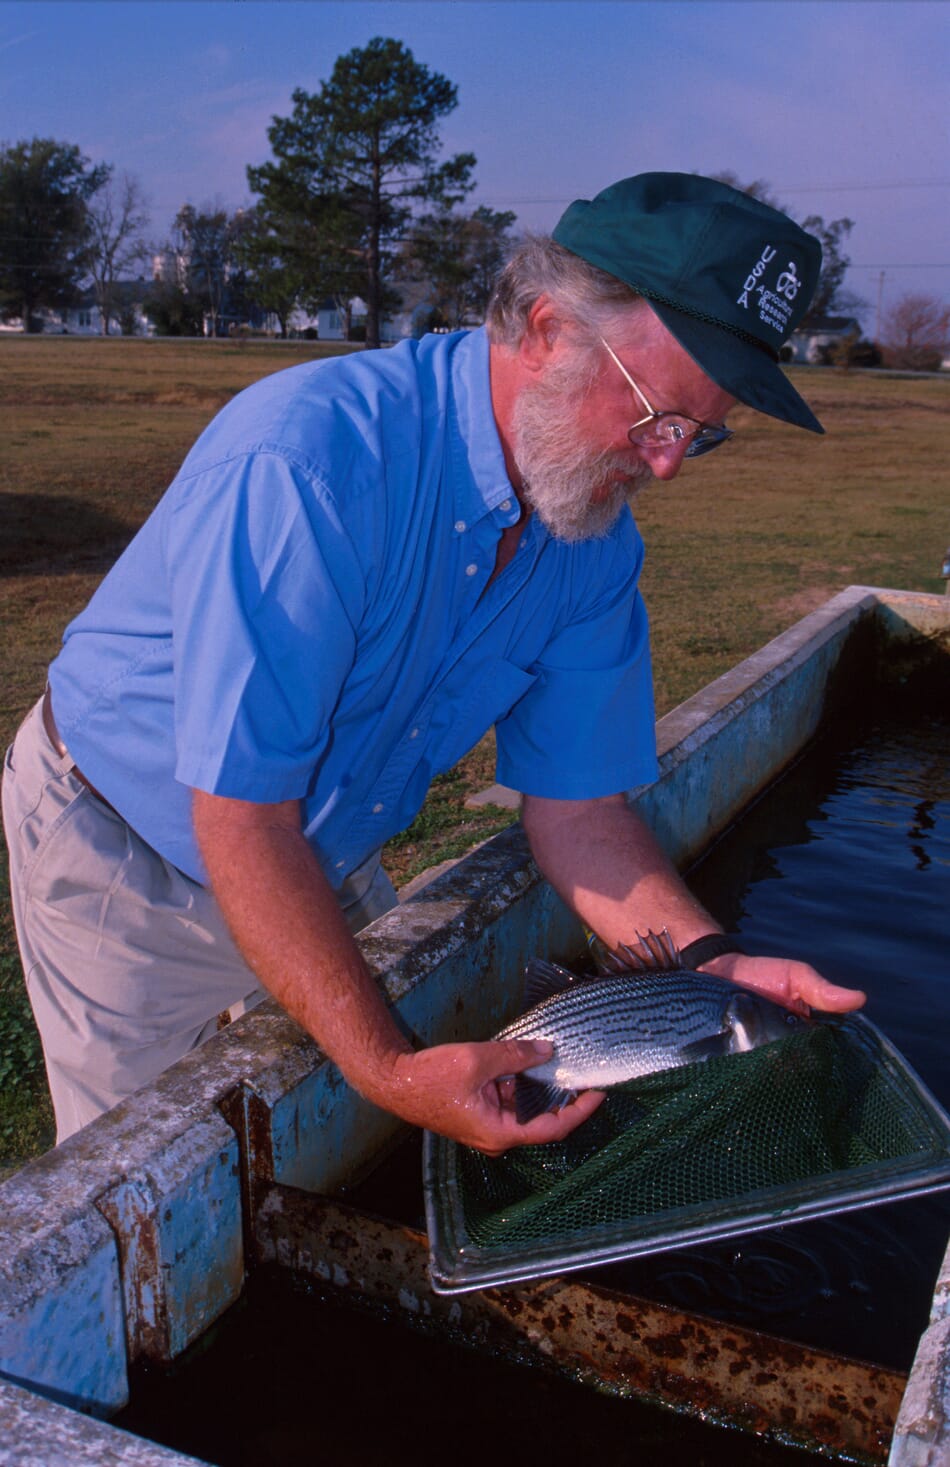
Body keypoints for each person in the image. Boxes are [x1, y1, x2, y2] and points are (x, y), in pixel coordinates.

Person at [2, 172, 865, 1154]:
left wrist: (705, 967)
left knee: (321, 1137)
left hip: (317, 845)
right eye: (654, 416)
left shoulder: (589, 538)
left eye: (695, 436)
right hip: (130, 845)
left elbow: (579, 813)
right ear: (544, 329)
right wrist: (386, 1067)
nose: (663, 464)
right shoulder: (307, 466)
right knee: (147, 1169)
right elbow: (241, 817)